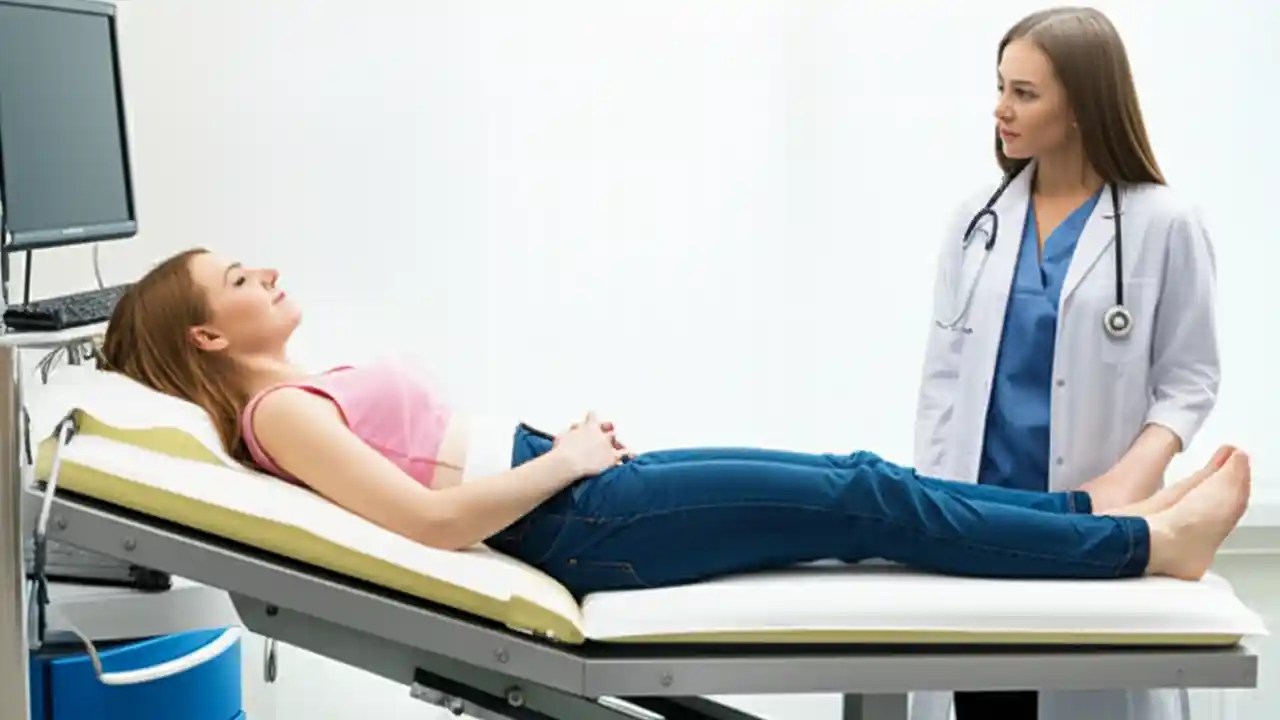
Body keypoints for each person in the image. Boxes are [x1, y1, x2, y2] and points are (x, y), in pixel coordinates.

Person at [97, 248, 1247, 609]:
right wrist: (566, 460)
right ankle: (1143, 548)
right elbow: (435, 523)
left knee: (865, 482)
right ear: (206, 337)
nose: (266, 270)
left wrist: (563, 450)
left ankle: (1093, 511)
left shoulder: (297, 388)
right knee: (862, 497)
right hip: (580, 521)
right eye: (237, 276)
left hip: (580, 493)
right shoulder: (280, 412)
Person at [912, 7, 1220, 720]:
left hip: (1091, 511)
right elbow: (944, 375)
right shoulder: (976, 218)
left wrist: (1137, 471)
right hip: (977, 515)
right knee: (982, 701)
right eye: (1000, 88)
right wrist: (929, 500)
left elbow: (1190, 380)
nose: (1000, 110)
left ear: (1081, 103)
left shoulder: (1164, 223)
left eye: (1024, 93)